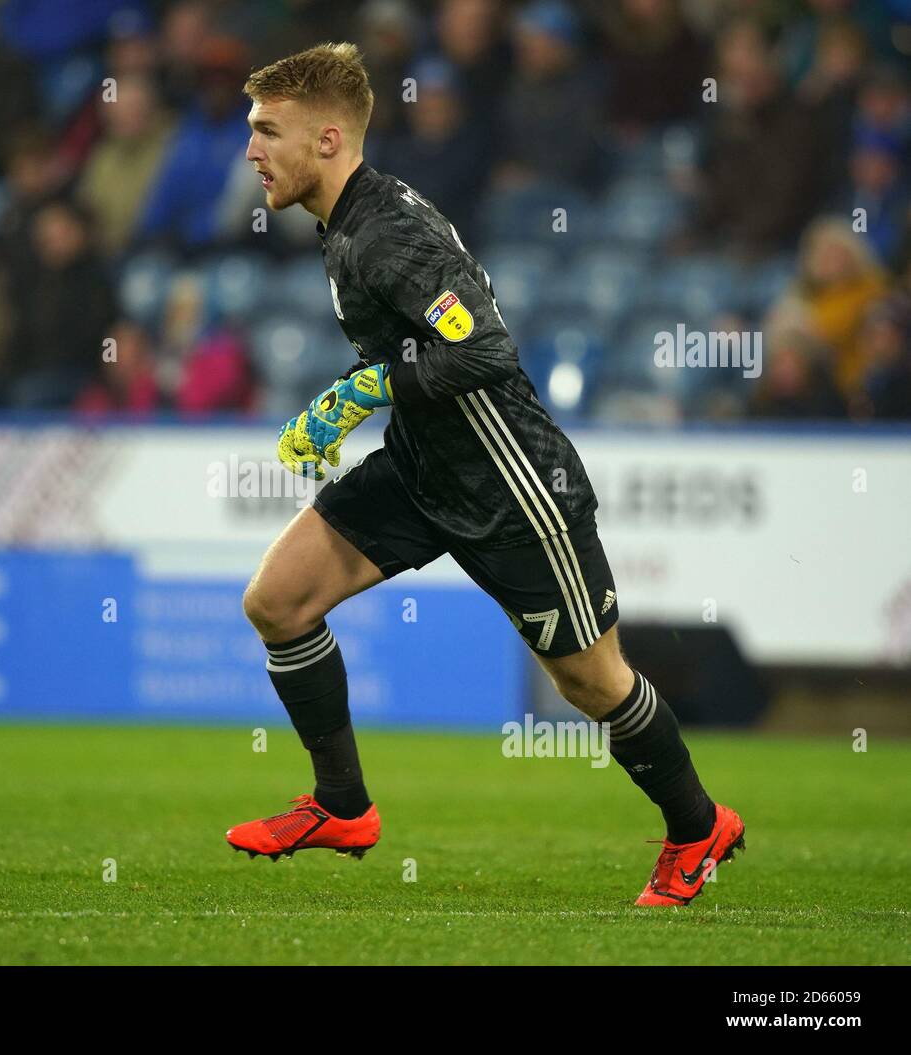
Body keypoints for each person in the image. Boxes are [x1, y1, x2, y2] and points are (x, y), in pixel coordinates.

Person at [229, 42, 745, 907]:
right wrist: (367, 396)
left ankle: (699, 827)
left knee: (591, 682)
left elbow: (484, 349)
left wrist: (364, 389)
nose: (251, 150)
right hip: (425, 468)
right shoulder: (346, 219)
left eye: (266, 131)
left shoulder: (386, 229)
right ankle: (343, 805)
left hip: (510, 482)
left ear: (326, 139)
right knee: (276, 599)